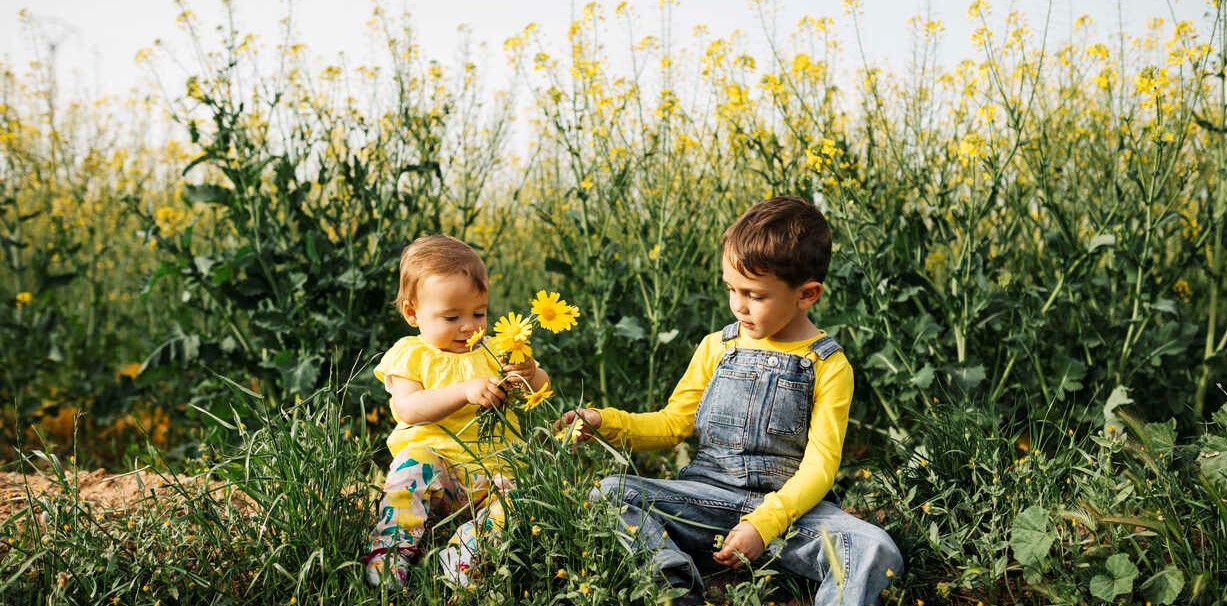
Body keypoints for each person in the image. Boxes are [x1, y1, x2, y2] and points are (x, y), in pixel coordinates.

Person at [556, 197, 902, 605]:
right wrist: (604, 422)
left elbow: (820, 467)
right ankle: (674, 590)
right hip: (705, 499)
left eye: (754, 295)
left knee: (876, 549)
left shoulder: (828, 364)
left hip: (792, 516)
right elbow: (671, 425)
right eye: (731, 289)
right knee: (611, 494)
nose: (738, 305)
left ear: (806, 294)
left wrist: (764, 524)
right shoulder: (716, 347)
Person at [364, 234, 549, 587]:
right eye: (451, 317)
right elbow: (408, 407)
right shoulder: (411, 354)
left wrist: (529, 372)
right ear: (412, 313)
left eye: (479, 313)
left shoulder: (495, 349)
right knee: (409, 469)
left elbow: (541, 387)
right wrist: (463, 391)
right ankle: (391, 552)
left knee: (517, 501)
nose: (469, 326)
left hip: (495, 473)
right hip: (438, 470)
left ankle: (466, 553)